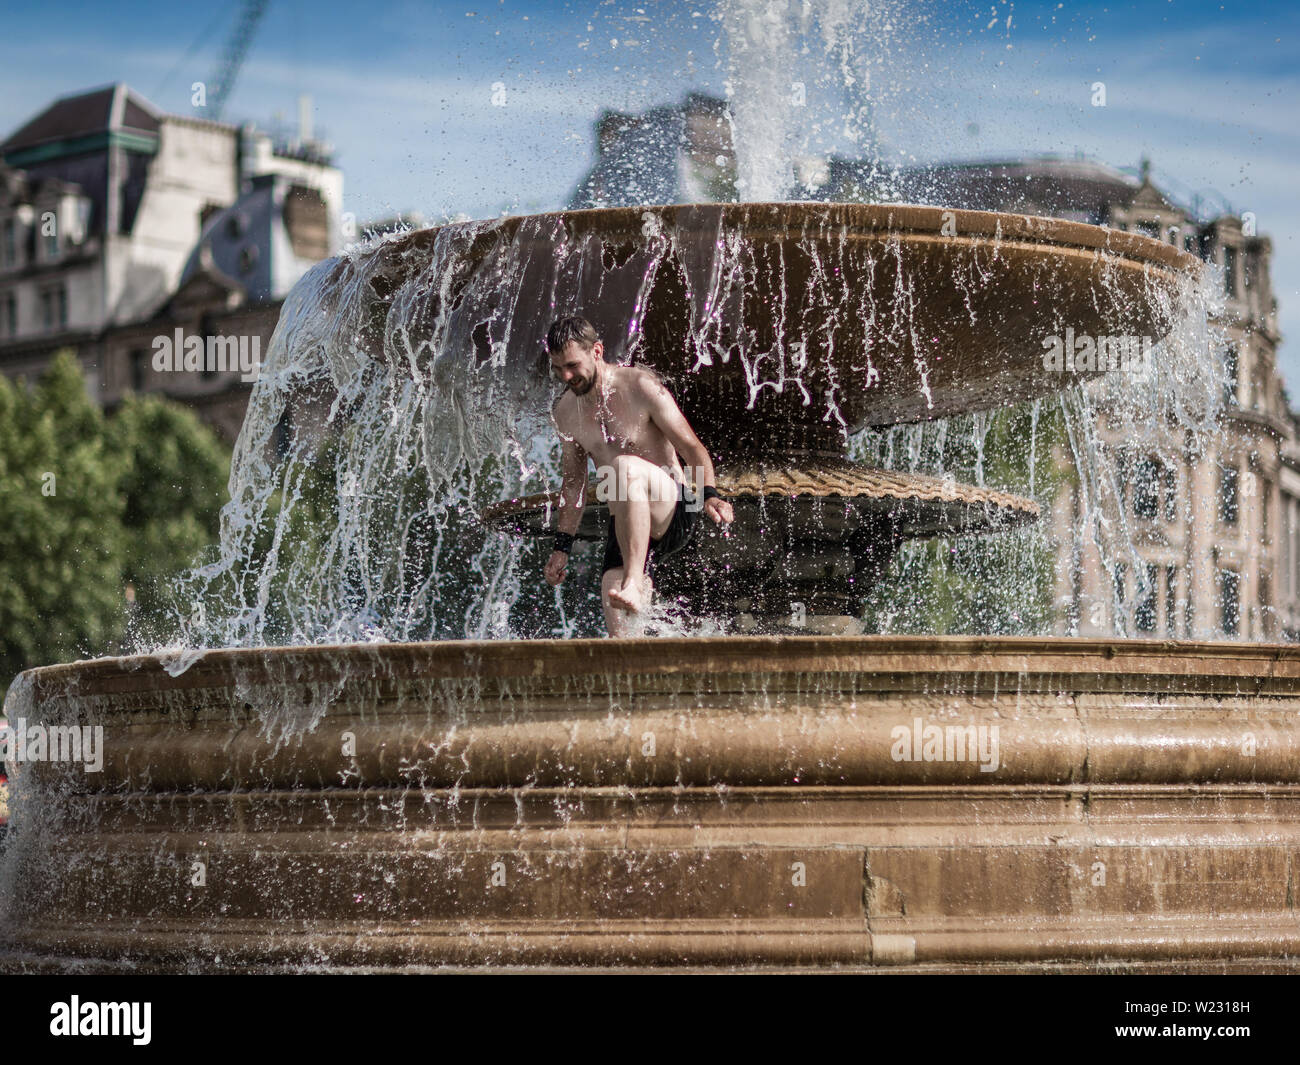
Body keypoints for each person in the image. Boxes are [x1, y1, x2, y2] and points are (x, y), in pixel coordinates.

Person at [541, 315, 734, 636]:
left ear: (597, 351)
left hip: (673, 508)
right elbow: (574, 484)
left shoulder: (640, 386)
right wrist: (562, 546)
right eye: (558, 368)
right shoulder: (565, 413)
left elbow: (691, 448)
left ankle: (633, 581)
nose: (566, 375)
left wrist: (710, 493)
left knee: (623, 468)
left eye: (573, 365)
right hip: (626, 525)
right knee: (621, 639)